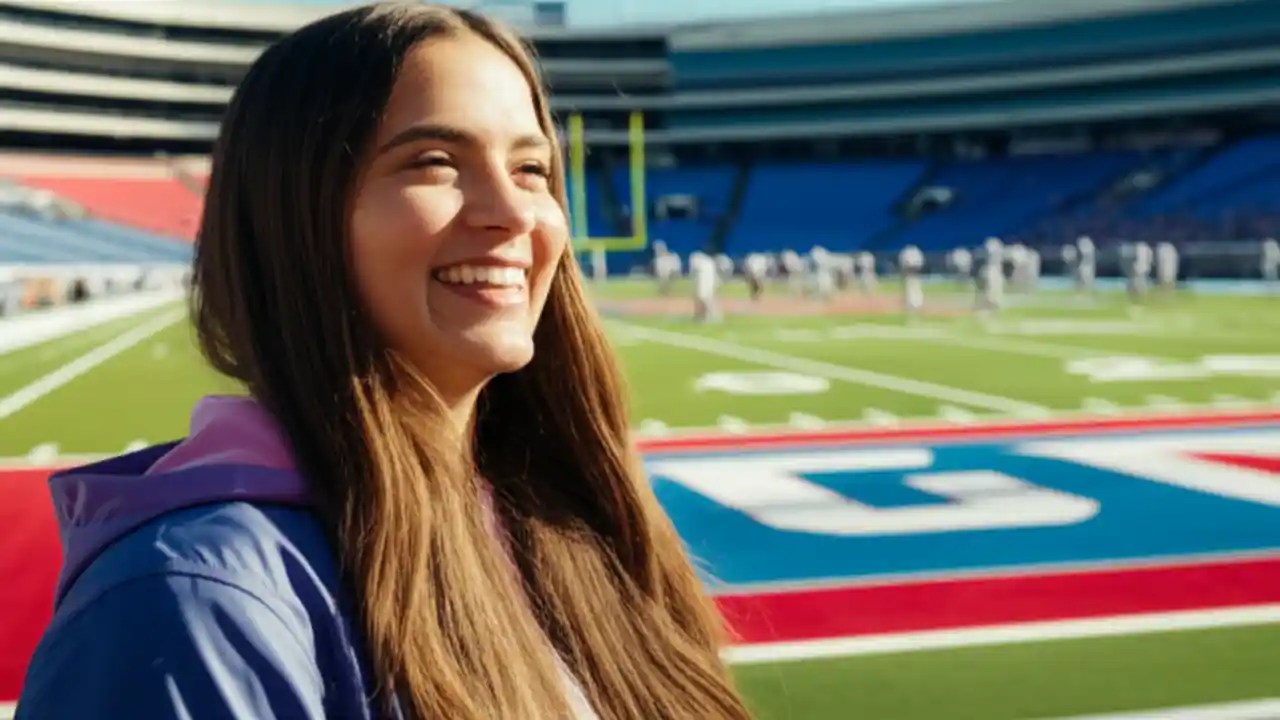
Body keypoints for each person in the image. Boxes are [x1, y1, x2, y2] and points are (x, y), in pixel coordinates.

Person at [16, 5, 751, 720]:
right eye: (434, 161)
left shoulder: (574, 520)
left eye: (531, 168)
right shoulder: (189, 605)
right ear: (292, 217)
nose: (514, 210)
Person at [689, 250, 721, 322]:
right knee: (699, 298)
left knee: (704, 298)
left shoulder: (705, 263)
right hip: (703, 281)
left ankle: (714, 315)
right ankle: (699, 316)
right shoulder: (706, 262)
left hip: (706, 282)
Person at [976, 235, 1005, 313]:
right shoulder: (996, 250)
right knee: (991, 291)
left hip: (989, 269)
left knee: (986, 290)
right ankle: (989, 307)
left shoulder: (985, 251)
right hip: (993, 270)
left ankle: (986, 306)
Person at [898, 243, 925, 316]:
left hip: (912, 273)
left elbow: (905, 264)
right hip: (911, 273)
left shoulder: (908, 253)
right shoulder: (914, 253)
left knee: (912, 287)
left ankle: (914, 303)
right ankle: (913, 303)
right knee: (912, 287)